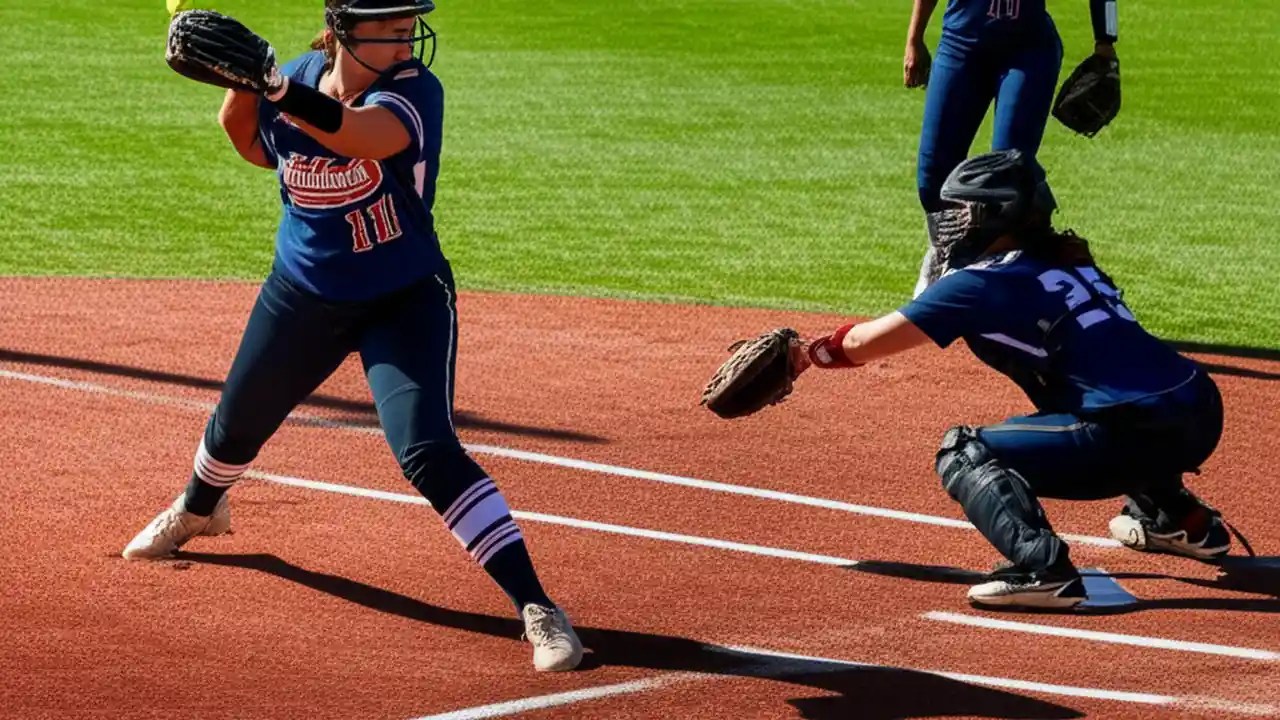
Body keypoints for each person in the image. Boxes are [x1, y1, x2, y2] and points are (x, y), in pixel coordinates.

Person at [123, 0, 584, 671]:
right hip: (302, 292)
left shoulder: (414, 93)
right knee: (240, 417)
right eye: (392, 31)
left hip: (403, 299)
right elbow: (250, 140)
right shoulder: (301, 73)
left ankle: (538, 609)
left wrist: (278, 88)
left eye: (407, 28)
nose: (408, 42)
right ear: (344, 33)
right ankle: (200, 510)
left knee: (426, 451)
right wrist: (239, 81)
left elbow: (360, 137)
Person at [793, 149, 1235, 610]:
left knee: (965, 451)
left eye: (961, 211)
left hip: (1129, 432)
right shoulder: (1071, 260)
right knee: (1084, 398)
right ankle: (1180, 518)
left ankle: (1043, 569)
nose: (951, 222)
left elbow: (865, 343)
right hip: (1200, 410)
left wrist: (806, 354)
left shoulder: (980, 283)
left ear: (994, 213)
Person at [904, 0, 1119, 296]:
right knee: (931, 178)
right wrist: (914, 38)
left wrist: (1105, 42)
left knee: (1008, 182)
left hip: (1027, 53)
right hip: (961, 44)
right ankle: (945, 253)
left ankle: (1001, 278)